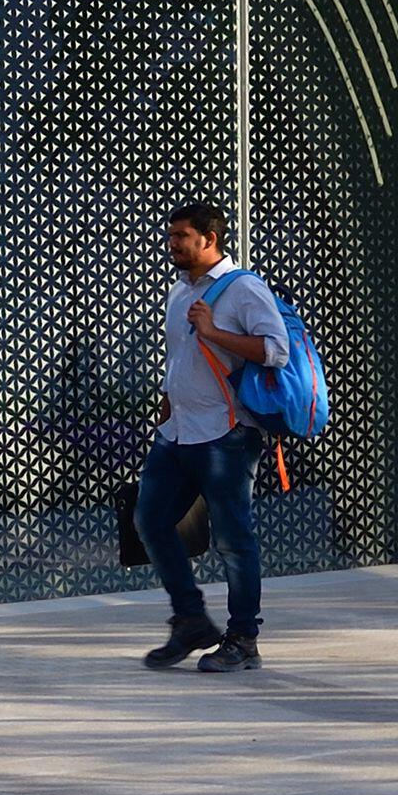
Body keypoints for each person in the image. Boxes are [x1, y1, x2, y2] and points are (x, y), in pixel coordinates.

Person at [139, 197, 284, 675]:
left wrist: (214, 331)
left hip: (225, 435)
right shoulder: (180, 291)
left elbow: (274, 351)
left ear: (209, 238)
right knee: (150, 520)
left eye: (181, 236)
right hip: (178, 431)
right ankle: (191, 620)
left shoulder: (243, 288)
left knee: (232, 538)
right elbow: (179, 361)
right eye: (171, 236)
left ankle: (244, 639)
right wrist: (164, 413)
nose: (172, 244)